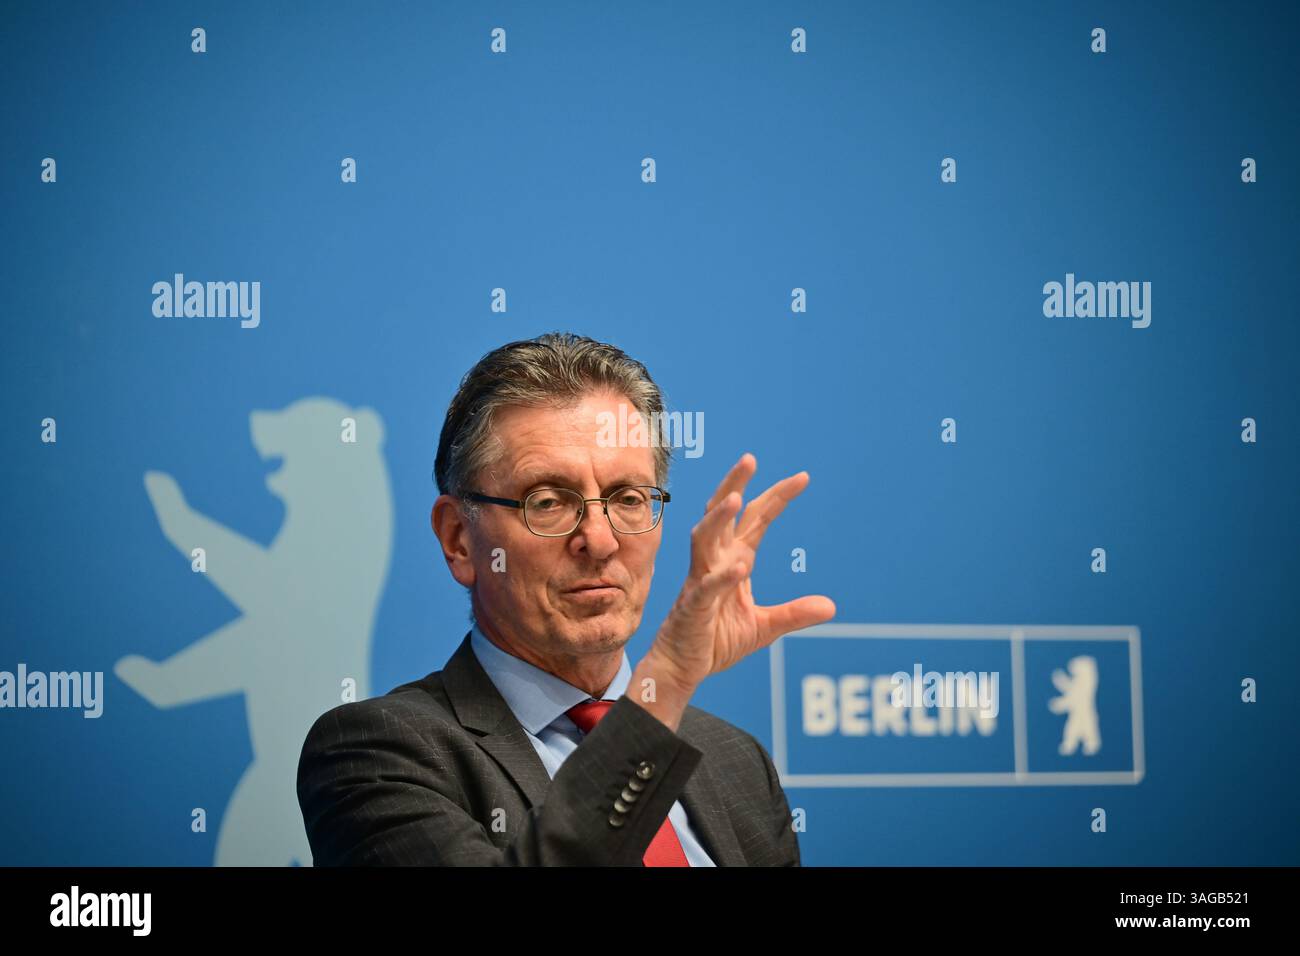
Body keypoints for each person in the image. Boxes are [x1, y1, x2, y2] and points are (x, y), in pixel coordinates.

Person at [296, 332, 836, 865]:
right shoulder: (373, 753)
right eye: (549, 501)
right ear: (459, 539)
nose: (599, 541)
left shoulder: (736, 762)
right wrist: (667, 677)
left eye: (627, 498)